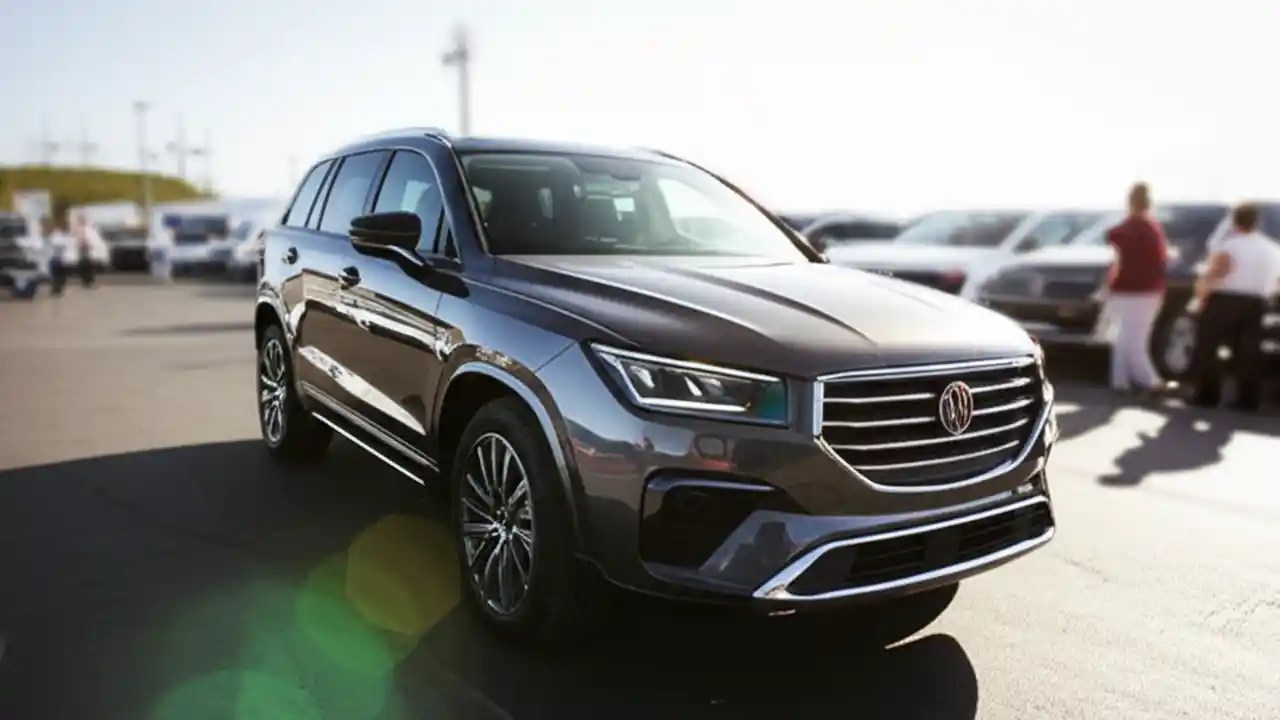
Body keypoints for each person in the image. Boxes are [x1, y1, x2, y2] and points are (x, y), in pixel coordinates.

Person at [1189, 202, 1280, 411]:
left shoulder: (1229, 246)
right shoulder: (1272, 249)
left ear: (1234, 221)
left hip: (1225, 299)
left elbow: (1218, 271)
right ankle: (1248, 400)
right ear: (1256, 222)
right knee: (1248, 352)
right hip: (1257, 302)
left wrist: (1201, 295)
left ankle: (1207, 395)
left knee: (1208, 347)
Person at [1103, 182, 1168, 395]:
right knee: (1137, 338)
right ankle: (1149, 381)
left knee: (1123, 337)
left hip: (1124, 288)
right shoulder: (1153, 229)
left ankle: (1121, 380)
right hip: (1150, 290)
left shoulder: (1124, 230)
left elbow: (1112, 240)